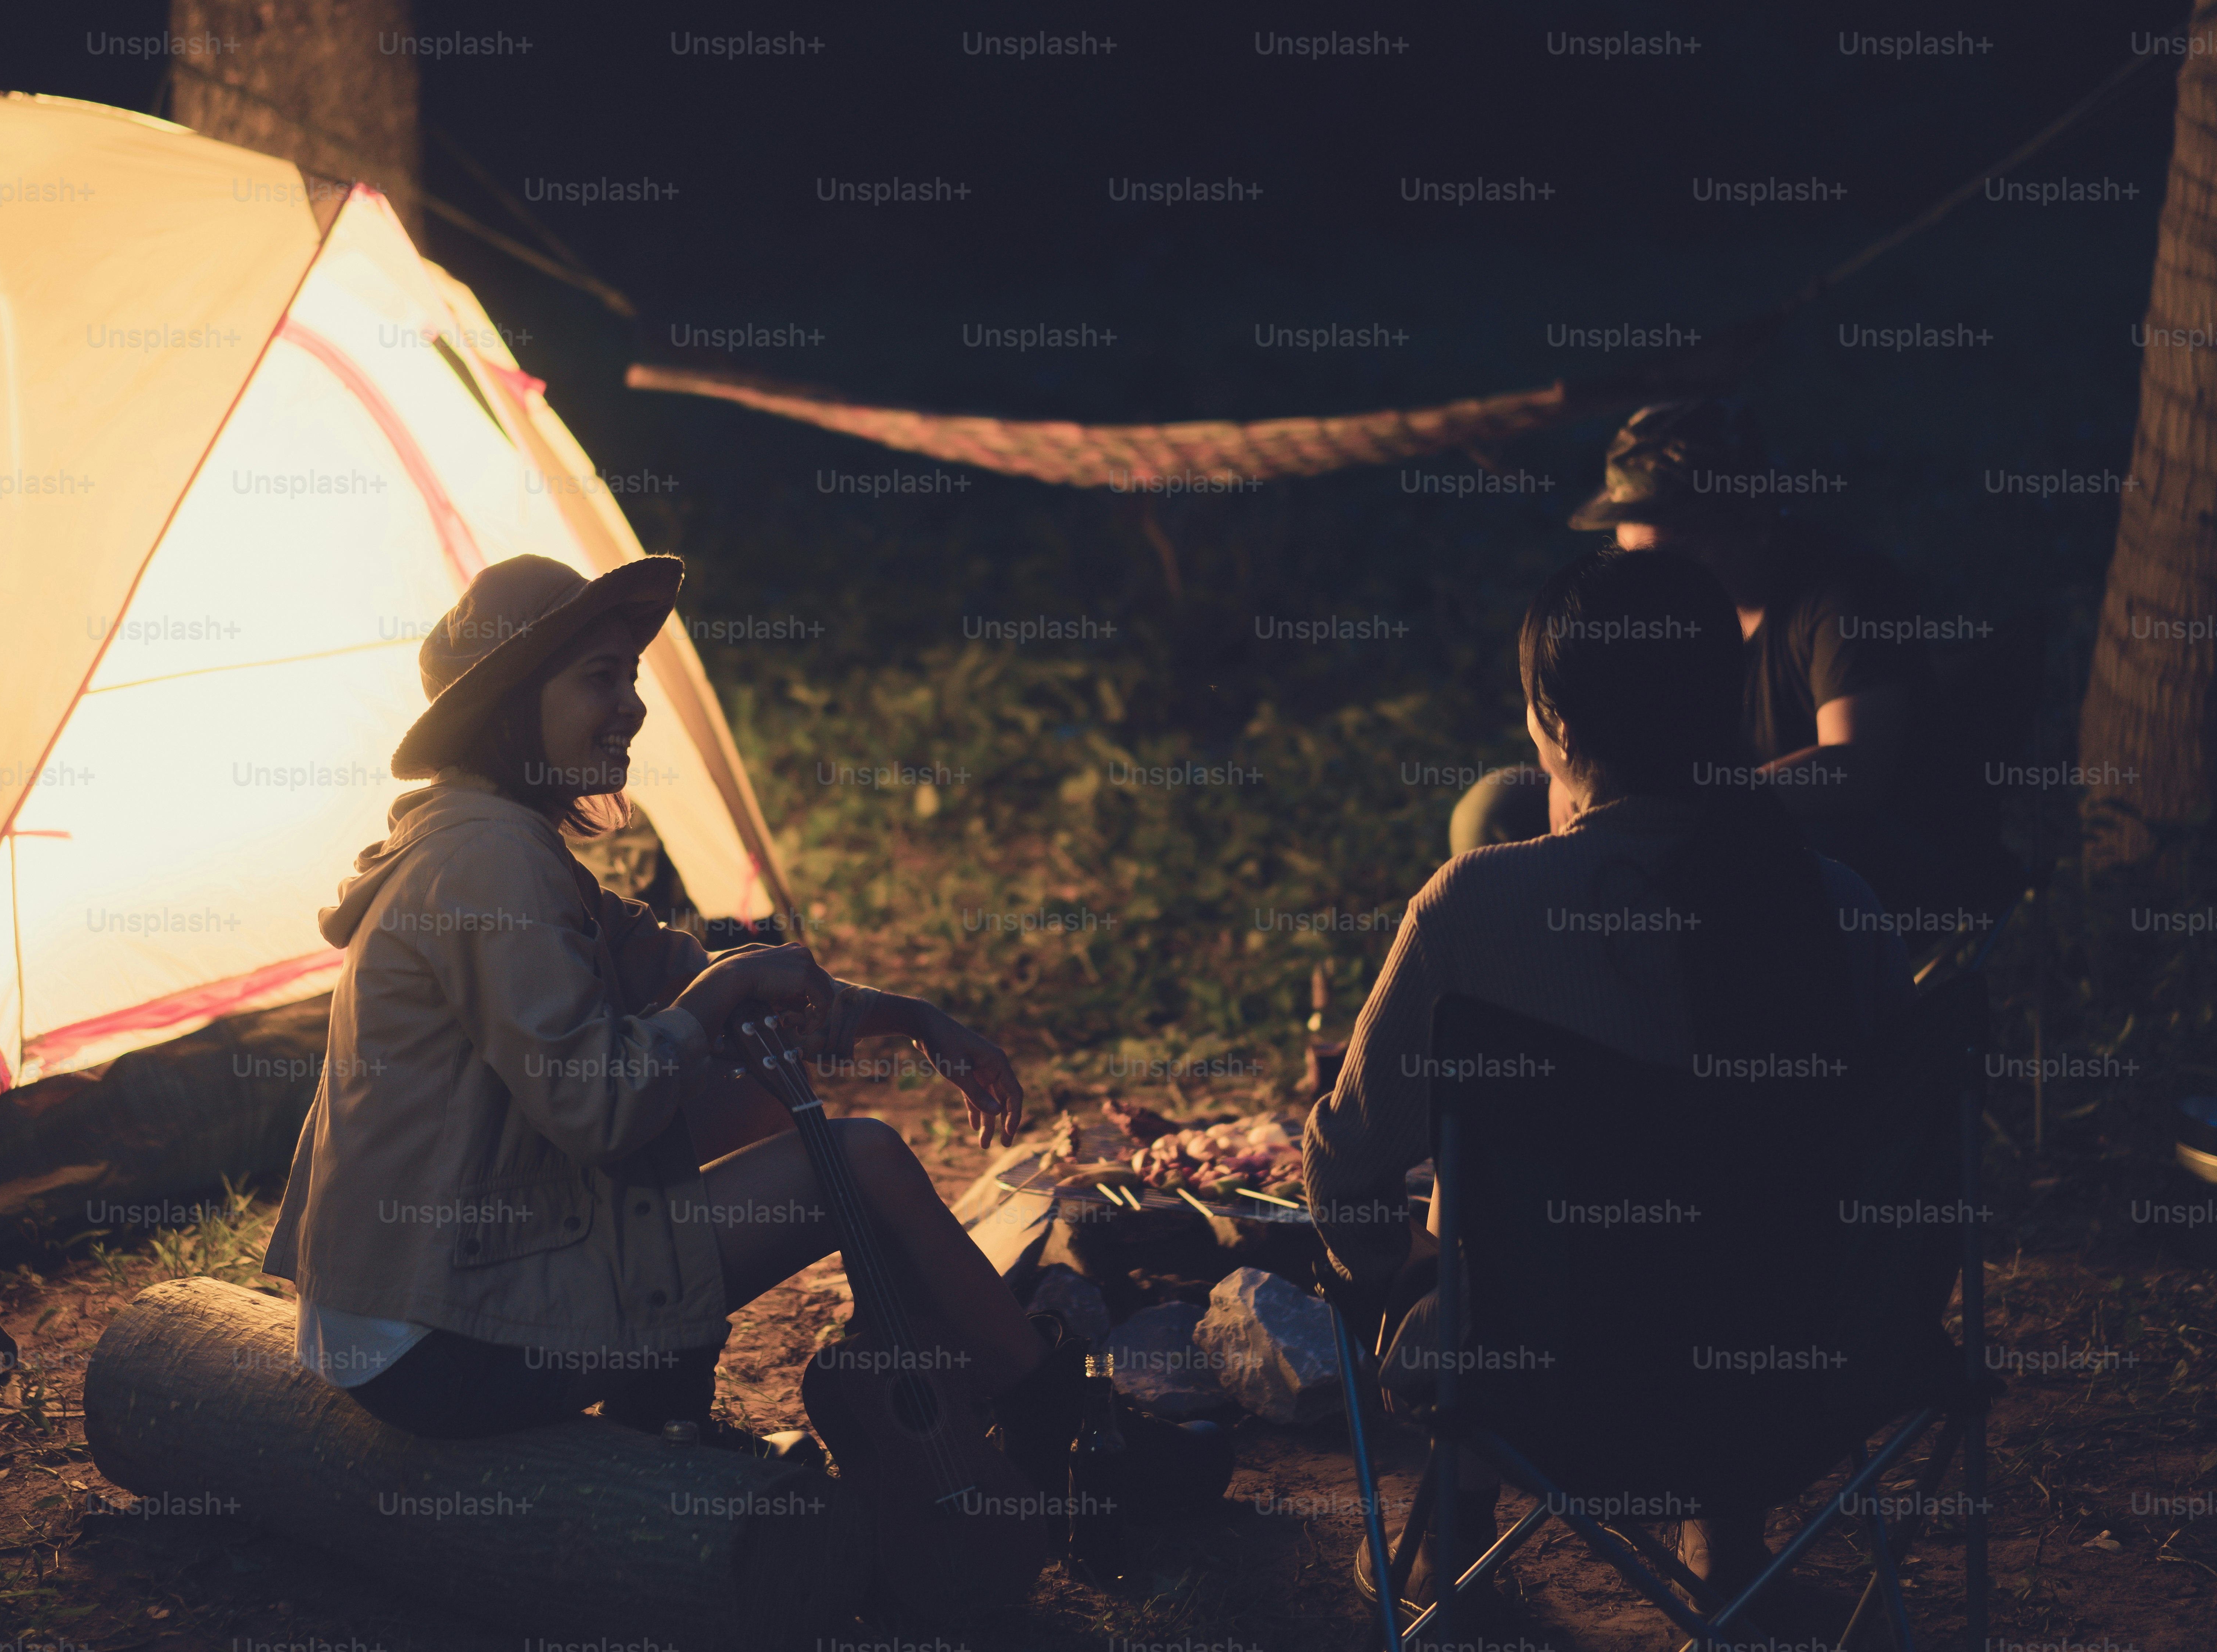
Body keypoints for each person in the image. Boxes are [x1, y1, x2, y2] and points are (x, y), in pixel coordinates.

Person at [260, 551, 1213, 1510]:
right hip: (442, 1344)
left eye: (630, 676)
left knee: (761, 1090)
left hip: (423, 1302)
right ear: (512, 699)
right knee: (866, 1160)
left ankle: (673, 1408)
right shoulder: (488, 861)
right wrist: (717, 1001)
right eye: (600, 676)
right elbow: (604, 1106)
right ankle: (1072, 1441)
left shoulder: (488, 837)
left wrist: (909, 1017)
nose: (630, 704)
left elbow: (690, 975)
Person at [1308, 544, 1912, 1611]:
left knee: (1469, 1220)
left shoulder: (1474, 908)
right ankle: (1726, 1536)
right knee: (1727, 1204)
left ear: (1556, 724)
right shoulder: (1839, 905)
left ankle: (1455, 1514)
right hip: (1802, 1377)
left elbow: (1346, 1165)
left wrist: (1411, 1266)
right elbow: (1892, 1175)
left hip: (1544, 1387)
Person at [1445, 398, 2004, 921]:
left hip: (1858, 855)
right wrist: (1571, 775)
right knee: (1497, 810)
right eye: (1631, 556)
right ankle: (1558, 994)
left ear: (1749, 520)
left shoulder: (1846, 595)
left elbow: (1854, 769)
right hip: (1697, 833)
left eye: (1668, 555)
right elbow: (1604, 724)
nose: (1647, 581)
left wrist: (1677, 813)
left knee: (1738, 860)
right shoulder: (1656, 610)